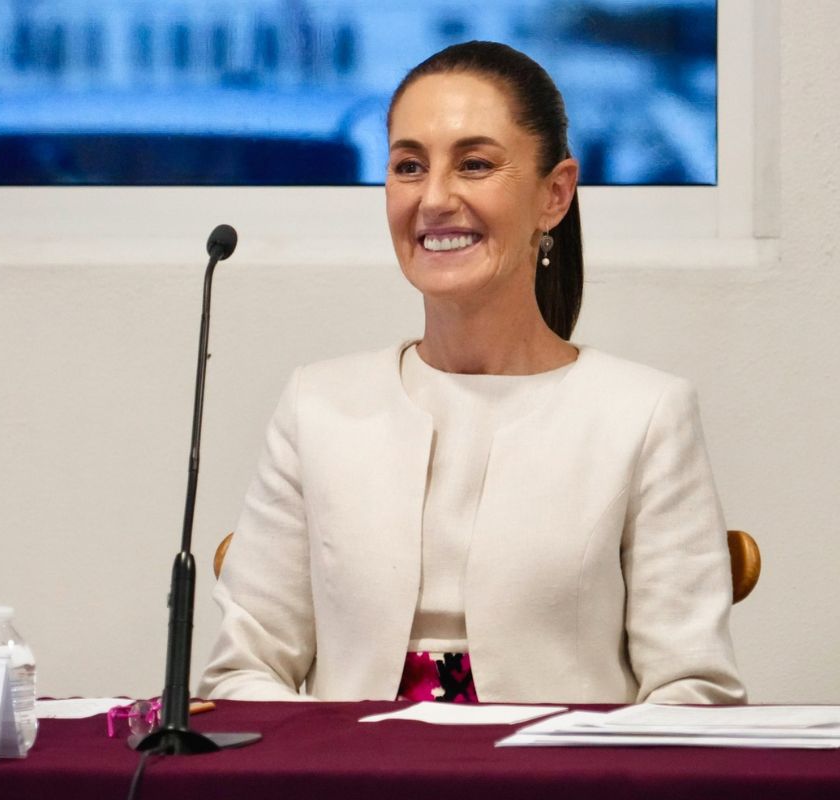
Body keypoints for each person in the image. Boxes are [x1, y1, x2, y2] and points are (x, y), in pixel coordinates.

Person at [198, 41, 745, 705]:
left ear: (555, 193)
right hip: (350, 763)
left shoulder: (645, 414)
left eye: (475, 164)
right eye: (408, 166)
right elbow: (243, 672)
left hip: (566, 764)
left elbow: (693, 689)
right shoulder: (317, 405)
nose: (433, 199)